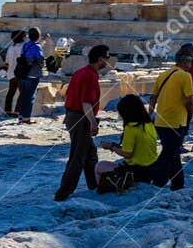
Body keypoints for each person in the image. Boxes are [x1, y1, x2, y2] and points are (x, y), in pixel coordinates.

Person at [56, 45, 108, 201]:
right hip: (81, 118)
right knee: (77, 157)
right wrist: (93, 122)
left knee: (90, 154)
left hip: (73, 115)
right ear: (100, 59)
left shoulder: (81, 72)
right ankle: (63, 192)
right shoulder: (90, 76)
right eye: (107, 57)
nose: (108, 60)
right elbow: (86, 102)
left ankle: (95, 185)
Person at [149, 45, 193, 191]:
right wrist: (190, 113)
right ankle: (157, 178)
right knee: (170, 153)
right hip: (176, 120)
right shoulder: (185, 76)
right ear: (186, 62)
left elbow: (153, 97)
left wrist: (150, 114)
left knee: (172, 152)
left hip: (160, 120)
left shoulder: (163, 75)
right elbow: (190, 100)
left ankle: (178, 183)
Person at [97, 94, 160, 192]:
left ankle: (103, 191)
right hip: (152, 168)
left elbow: (127, 154)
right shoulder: (148, 124)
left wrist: (111, 147)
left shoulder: (131, 128)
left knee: (99, 166)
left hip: (137, 171)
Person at [12, 27, 46, 124]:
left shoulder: (25, 45)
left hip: (23, 74)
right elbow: (40, 60)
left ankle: (21, 116)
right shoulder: (37, 47)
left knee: (23, 95)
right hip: (33, 74)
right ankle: (27, 117)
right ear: (38, 36)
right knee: (30, 96)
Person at [2, 30, 27, 116]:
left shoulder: (10, 48)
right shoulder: (23, 47)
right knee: (22, 93)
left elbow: (7, 62)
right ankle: (17, 111)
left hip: (11, 73)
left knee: (11, 93)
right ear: (23, 37)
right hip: (20, 73)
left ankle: (7, 111)